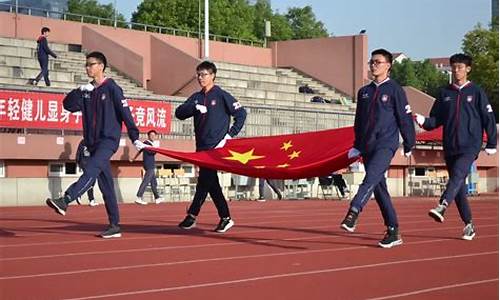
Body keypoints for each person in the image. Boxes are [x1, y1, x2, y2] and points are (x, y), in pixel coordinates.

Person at [45, 51, 146, 238]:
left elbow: (126, 114)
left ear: (101, 66)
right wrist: (79, 91)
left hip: (108, 141)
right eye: (86, 64)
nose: (87, 67)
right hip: (91, 143)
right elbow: (67, 105)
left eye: (91, 64)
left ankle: (66, 199)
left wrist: (135, 137)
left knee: (91, 170)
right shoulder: (87, 92)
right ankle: (114, 225)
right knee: (106, 185)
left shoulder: (112, 88)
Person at [414, 53, 497, 241]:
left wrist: (492, 142)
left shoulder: (476, 92)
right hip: (450, 145)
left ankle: (442, 205)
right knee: (458, 187)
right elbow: (436, 119)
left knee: (459, 175)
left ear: (468, 69)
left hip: (470, 145)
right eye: (454, 67)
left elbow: (488, 118)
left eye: (460, 67)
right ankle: (468, 224)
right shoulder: (445, 93)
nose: (456, 70)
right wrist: (423, 121)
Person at [341, 48, 416, 248]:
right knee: (379, 187)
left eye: (378, 62)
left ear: (388, 66)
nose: (373, 65)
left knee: (370, 178)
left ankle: (354, 211)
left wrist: (409, 143)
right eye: (371, 62)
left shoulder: (395, 90)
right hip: (367, 146)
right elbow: (359, 121)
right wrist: (357, 145)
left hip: (386, 144)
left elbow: (405, 119)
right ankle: (393, 230)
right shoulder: (364, 92)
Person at [175, 60, 246, 233]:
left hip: (216, 147)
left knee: (204, 181)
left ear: (213, 75)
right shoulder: (196, 97)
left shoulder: (221, 95)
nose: (200, 78)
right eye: (198, 74)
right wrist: (194, 107)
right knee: (210, 183)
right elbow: (179, 113)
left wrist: (229, 136)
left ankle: (192, 215)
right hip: (201, 147)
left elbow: (241, 114)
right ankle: (225, 217)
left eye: (204, 74)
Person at [130, 129, 164, 205]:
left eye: (154, 135)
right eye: (151, 135)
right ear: (148, 136)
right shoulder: (146, 143)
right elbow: (152, 152)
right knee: (146, 180)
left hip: (150, 164)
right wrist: (156, 149)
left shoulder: (150, 144)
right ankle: (139, 197)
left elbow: (140, 151)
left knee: (153, 182)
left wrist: (133, 158)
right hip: (149, 164)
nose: (153, 136)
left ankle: (157, 198)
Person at [75, 139, 99, 207]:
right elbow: (79, 152)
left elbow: (78, 152)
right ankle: (80, 195)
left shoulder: (83, 142)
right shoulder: (90, 142)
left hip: (86, 163)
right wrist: (78, 162)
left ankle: (91, 199)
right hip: (88, 164)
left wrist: (78, 162)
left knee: (89, 181)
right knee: (90, 180)